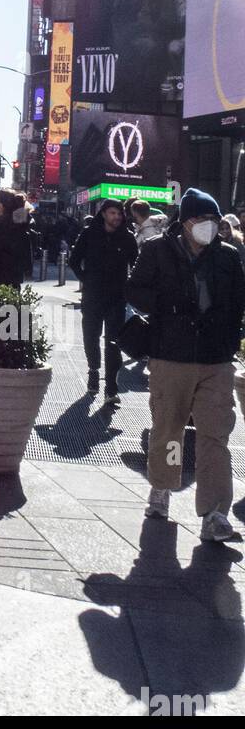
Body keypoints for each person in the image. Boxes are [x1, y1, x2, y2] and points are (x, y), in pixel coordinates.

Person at [127, 188, 245, 540]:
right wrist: (169, 305)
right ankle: (162, 488)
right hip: (170, 355)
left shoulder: (227, 257)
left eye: (213, 220)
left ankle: (214, 513)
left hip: (215, 359)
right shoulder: (157, 250)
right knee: (169, 430)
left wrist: (229, 337)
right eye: (201, 220)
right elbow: (134, 291)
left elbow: (239, 301)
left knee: (215, 436)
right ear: (185, 222)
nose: (208, 227)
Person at [68, 199, 138, 405]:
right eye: (112, 213)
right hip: (92, 296)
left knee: (113, 342)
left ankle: (111, 388)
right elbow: (73, 260)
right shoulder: (89, 234)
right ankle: (93, 370)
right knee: (91, 336)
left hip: (117, 297)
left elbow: (137, 265)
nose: (116, 217)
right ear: (104, 214)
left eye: (119, 213)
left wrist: (130, 288)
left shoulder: (128, 238)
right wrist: (86, 279)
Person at [0, 190, 34, 287]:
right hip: (13, 280)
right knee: (11, 301)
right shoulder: (18, 223)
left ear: (1, 206)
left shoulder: (0, 226)